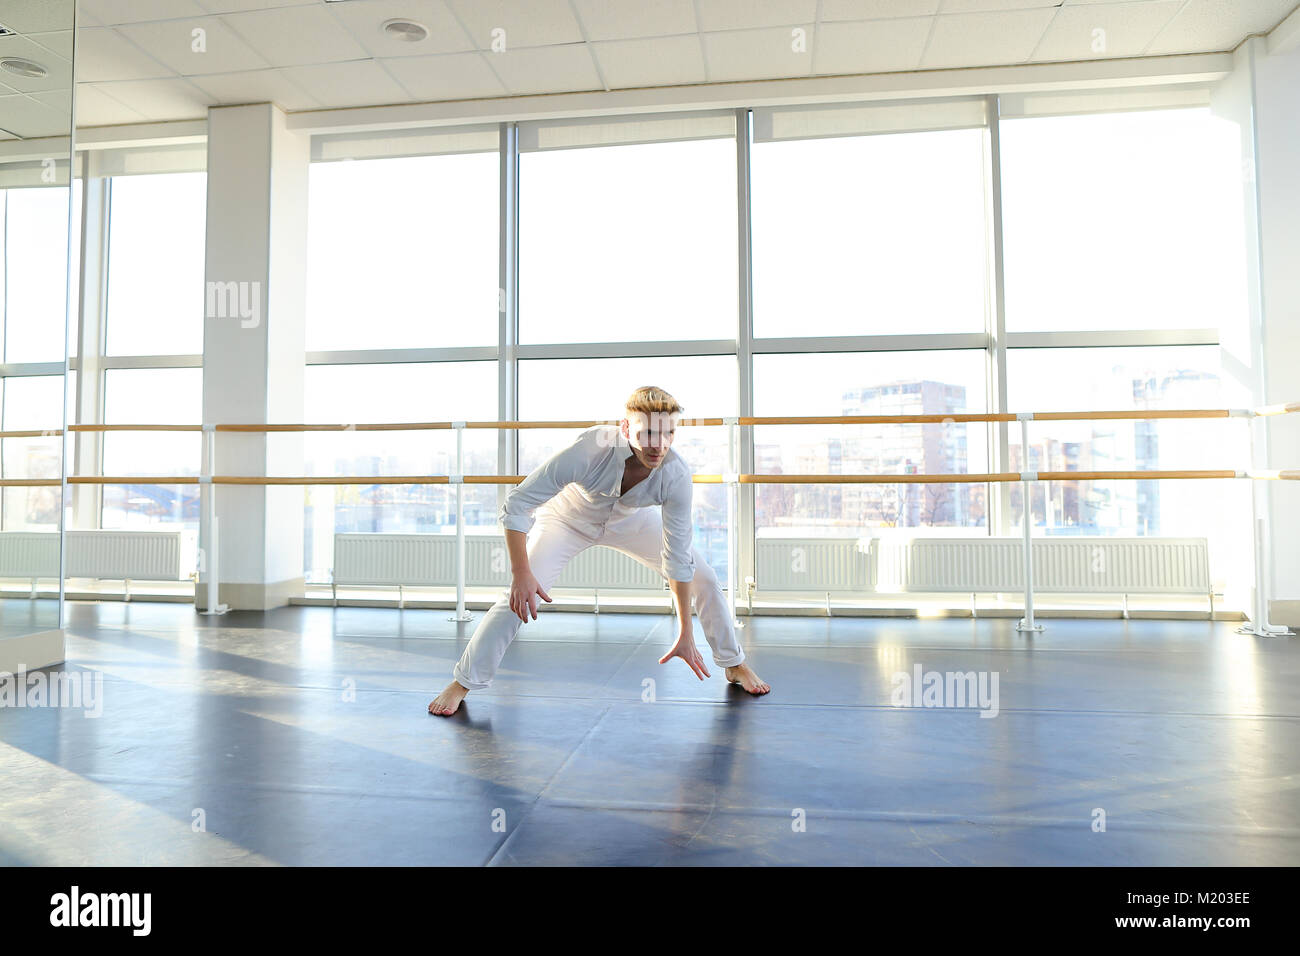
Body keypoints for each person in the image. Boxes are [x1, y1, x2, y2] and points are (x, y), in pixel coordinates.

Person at [429, 386, 769, 716]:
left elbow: (678, 558)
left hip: (631, 521)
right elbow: (517, 504)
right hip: (567, 520)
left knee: (705, 578)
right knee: (515, 601)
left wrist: (684, 630)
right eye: (649, 433)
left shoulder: (675, 474)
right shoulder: (591, 448)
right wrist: (521, 574)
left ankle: (734, 664)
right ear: (625, 428)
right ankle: (462, 683)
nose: (659, 445)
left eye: (668, 434)